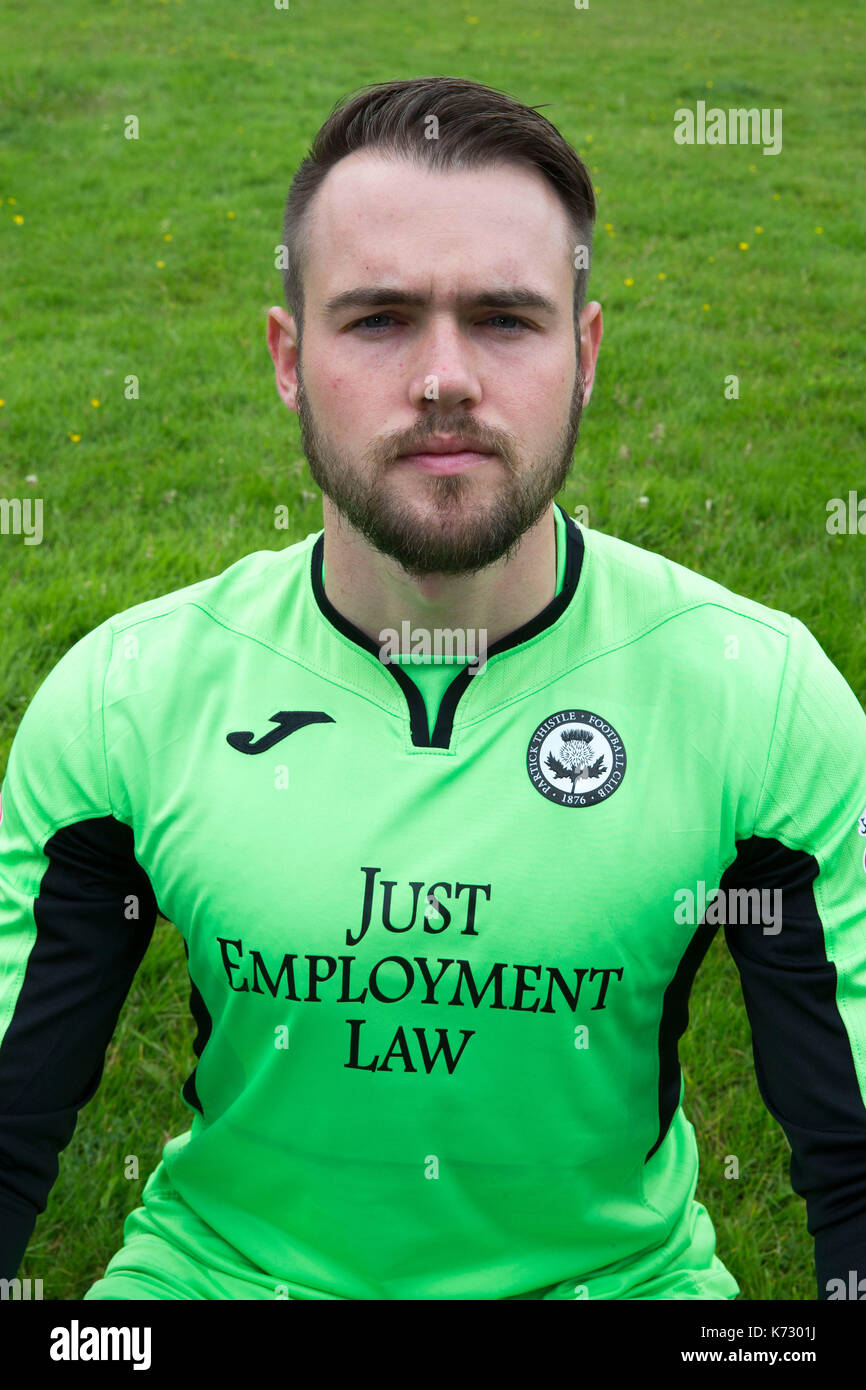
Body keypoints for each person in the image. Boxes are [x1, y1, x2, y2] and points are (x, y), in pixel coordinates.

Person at [1, 75, 864, 1301]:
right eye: (379, 319)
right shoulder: (129, 696)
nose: (444, 378)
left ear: (586, 353)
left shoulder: (754, 696)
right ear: (289, 359)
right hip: (219, 1280)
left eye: (506, 319)